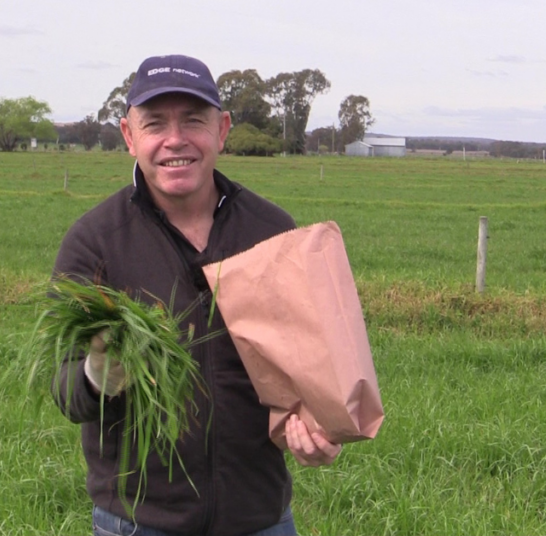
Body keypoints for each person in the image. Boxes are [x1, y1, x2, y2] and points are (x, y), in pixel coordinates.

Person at [52, 54, 341, 536]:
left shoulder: (272, 232)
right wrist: (96, 376)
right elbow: (62, 387)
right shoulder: (95, 242)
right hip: (139, 523)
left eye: (193, 121)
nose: (175, 139)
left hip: (261, 519)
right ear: (129, 136)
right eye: (154, 123)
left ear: (222, 130)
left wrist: (320, 426)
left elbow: (310, 365)